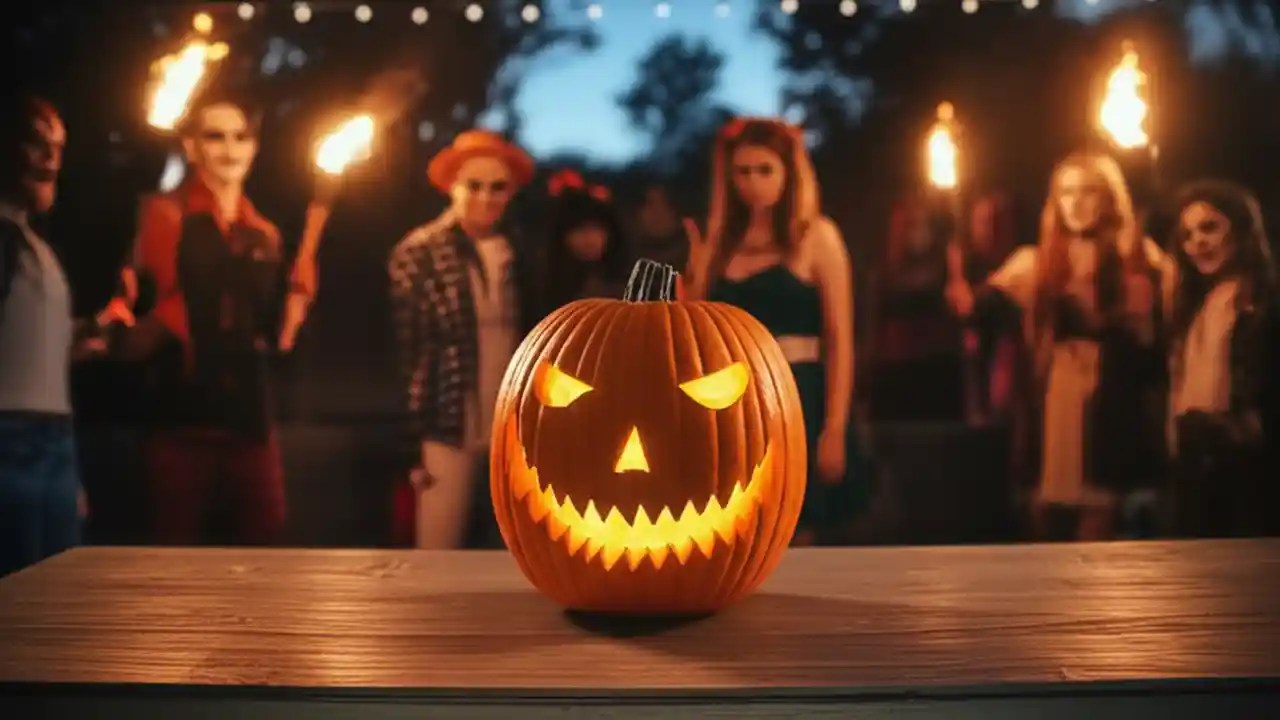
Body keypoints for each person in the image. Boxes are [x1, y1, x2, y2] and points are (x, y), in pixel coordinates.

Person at [115, 91, 315, 546]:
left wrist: (297, 300)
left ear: (254, 147)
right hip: (179, 418)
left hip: (248, 421)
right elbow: (141, 308)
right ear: (190, 146)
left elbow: (277, 339)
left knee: (263, 552)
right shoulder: (163, 215)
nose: (229, 149)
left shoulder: (265, 234)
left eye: (240, 137)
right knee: (174, 560)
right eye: (215, 136)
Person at [947, 151, 1170, 541]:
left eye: (1088, 192)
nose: (1077, 203)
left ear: (1109, 198)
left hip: (1109, 402)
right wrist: (959, 281)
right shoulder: (1034, 262)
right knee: (1045, 515)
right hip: (1053, 398)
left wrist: (1143, 304)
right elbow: (977, 312)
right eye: (1067, 193)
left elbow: (1159, 334)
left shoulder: (1137, 256)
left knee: (1097, 512)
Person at [684, 117, 871, 546]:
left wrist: (836, 427)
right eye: (742, 172)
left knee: (797, 526)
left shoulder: (816, 236)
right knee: (733, 527)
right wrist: (694, 278)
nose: (752, 183)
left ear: (788, 174)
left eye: (764, 170)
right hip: (732, 397)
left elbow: (840, 337)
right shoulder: (720, 241)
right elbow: (695, 329)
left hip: (798, 393)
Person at [0, 96, 132, 576]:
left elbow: (35, 347)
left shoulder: (32, 245)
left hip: (53, 438)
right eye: (35, 143)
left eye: (57, 146)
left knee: (52, 589)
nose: (51, 157)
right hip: (12, 439)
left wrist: (98, 327)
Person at [388, 129, 538, 549]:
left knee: (514, 547)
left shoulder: (516, 252)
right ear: (452, 186)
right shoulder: (421, 251)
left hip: (509, 418)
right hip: (446, 419)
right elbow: (408, 350)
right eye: (474, 185)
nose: (486, 197)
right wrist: (409, 439)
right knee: (437, 542)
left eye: (498, 187)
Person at [1165, 180, 1279, 537]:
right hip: (1196, 457)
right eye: (1188, 234)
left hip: (1246, 461)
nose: (1197, 242)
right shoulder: (1193, 304)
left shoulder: (1263, 304)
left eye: (1209, 227)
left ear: (1241, 230)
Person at [541, 169, 628, 316]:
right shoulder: (546, 285)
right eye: (580, 230)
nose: (590, 238)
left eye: (597, 229)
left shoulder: (626, 283)